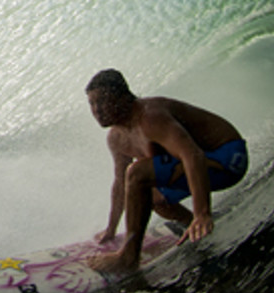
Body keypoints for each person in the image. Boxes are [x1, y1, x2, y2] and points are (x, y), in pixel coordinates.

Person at [84, 68, 248, 273]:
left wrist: (202, 212)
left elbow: (192, 155)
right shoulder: (117, 138)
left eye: (102, 102)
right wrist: (111, 229)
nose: (97, 110)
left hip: (229, 160)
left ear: (123, 98)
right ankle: (194, 227)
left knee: (137, 173)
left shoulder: (150, 117)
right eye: (92, 104)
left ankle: (128, 257)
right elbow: (120, 184)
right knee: (149, 198)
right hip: (204, 165)